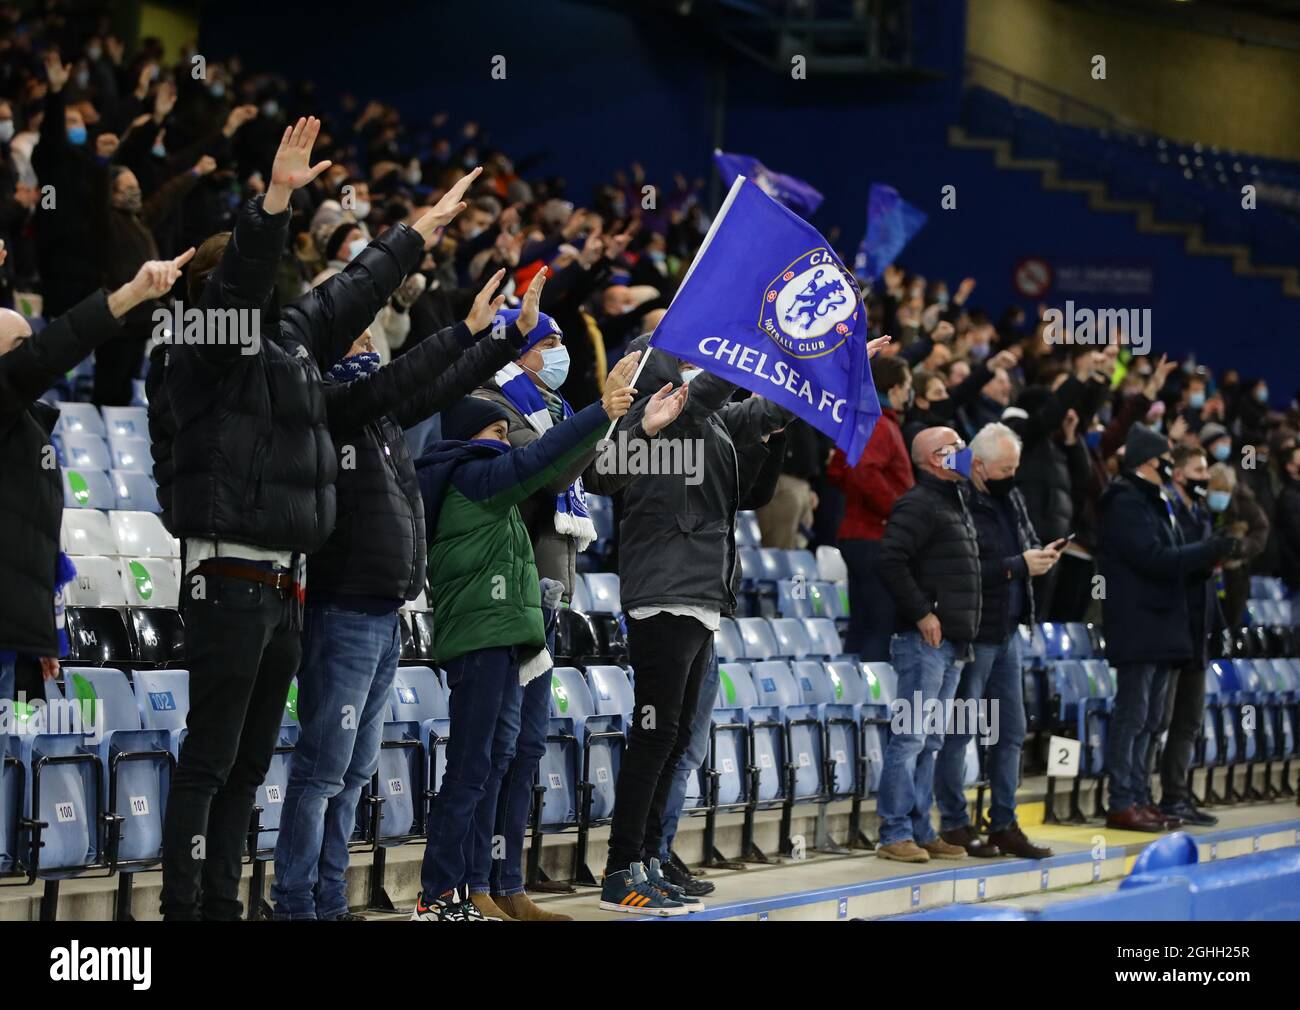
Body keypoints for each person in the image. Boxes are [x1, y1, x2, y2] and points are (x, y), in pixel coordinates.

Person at [153, 118, 479, 920]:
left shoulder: (289, 347)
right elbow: (240, 286)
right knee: (211, 758)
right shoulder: (198, 348)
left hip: (286, 587)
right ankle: (183, 908)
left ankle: (224, 905)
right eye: (248, 279)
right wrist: (273, 201)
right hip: (226, 575)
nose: (269, 289)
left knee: (252, 759)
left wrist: (413, 236)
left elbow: (351, 297)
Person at [269, 268, 536, 921]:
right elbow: (412, 372)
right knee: (324, 771)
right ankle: (298, 903)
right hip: (344, 608)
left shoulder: (379, 412)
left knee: (355, 773)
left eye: (369, 336)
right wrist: (473, 327)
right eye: (356, 336)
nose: (368, 345)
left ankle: (329, 897)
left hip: (386, 612)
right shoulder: (326, 403)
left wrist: (505, 338)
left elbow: (436, 382)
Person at [410, 370, 687, 922]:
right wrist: (601, 412)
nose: (506, 443)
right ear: (476, 434)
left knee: (493, 760)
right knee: (469, 768)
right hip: (481, 638)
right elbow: (535, 464)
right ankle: (438, 894)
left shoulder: (485, 484)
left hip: (505, 637)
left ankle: (479, 887)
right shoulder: (473, 474)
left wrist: (623, 428)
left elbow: (561, 473)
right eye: (498, 433)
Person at [599, 335, 800, 915]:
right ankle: (620, 869)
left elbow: (767, 407)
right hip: (664, 592)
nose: (697, 358)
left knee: (673, 736)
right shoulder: (656, 416)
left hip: (697, 594)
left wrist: (820, 366)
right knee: (655, 736)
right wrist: (760, 344)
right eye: (685, 352)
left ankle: (645, 861)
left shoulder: (706, 421)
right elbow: (710, 390)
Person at [466, 302, 644, 920]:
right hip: (508, 594)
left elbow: (599, 479)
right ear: (524, 348)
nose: (563, 351)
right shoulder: (495, 405)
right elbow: (545, 475)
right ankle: (476, 884)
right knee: (498, 745)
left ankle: (510, 882)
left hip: (550, 593)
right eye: (554, 340)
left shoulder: (559, 411)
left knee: (528, 747)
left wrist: (633, 427)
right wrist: (600, 413)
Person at [0, 250, 191, 706]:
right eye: (17, 348)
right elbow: (54, 350)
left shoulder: (27, 426)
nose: (30, 357)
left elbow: (31, 544)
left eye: (30, 343)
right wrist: (131, 295)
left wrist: (43, 635)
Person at [1098, 424, 1236, 832]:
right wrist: (1206, 551)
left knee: (1154, 720)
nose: (1169, 465)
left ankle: (1141, 797)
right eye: (1164, 457)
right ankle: (1122, 800)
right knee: (1134, 716)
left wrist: (1202, 561)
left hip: (1162, 626)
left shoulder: (1155, 501)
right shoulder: (1123, 501)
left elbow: (1169, 558)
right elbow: (1153, 558)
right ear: (1147, 460)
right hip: (1139, 624)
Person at [935, 422, 1057, 859]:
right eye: (1006, 468)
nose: (1013, 475)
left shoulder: (1012, 497)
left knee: (1011, 732)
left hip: (1008, 629)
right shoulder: (959, 499)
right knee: (961, 729)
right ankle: (953, 823)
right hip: (974, 630)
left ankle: (1003, 823)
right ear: (981, 466)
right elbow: (967, 568)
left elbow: (1024, 544)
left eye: (1016, 467)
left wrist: (1038, 557)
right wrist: (1017, 565)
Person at [874, 426, 981, 863]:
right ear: (936, 457)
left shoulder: (956, 501)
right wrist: (922, 612)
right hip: (924, 643)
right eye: (956, 445)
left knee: (931, 740)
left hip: (953, 642)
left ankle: (920, 828)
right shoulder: (918, 503)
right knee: (910, 738)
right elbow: (889, 558)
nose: (965, 451)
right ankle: (894, 832)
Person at [828, 353, 914, 660]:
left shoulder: (863, 419)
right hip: (875, 537)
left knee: (863, 624)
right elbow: (861, 470)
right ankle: (871, 706)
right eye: (907, 386)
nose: (909, 394)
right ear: (894, 389)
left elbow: (838, 470)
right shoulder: (879, 423)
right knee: (881, 623)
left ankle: (853, 701)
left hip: (860, 534)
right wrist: (898, 511)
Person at [1155, 446, 1220, 827]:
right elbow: (1171, 563)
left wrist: (1220, 628)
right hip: (1173, 631)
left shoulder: (1201, 514)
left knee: (1188, 722)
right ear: (1178, 474)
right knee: (1158, 720)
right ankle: (1143, 797)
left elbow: (1208, 580)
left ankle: (1176, 795)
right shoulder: (1168, 512)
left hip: (1199, 632)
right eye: (1198, 469)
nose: (1205, 477)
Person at [1205, 461, 1270, 629]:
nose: (1221, 495)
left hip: (1234, 574)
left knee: (1232, 619)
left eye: (1225, 490)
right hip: (1205, 571)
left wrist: (1241, 547)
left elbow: (1261, 529)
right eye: (1217, 490)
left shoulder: (1243, 502)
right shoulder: (1198, 502)